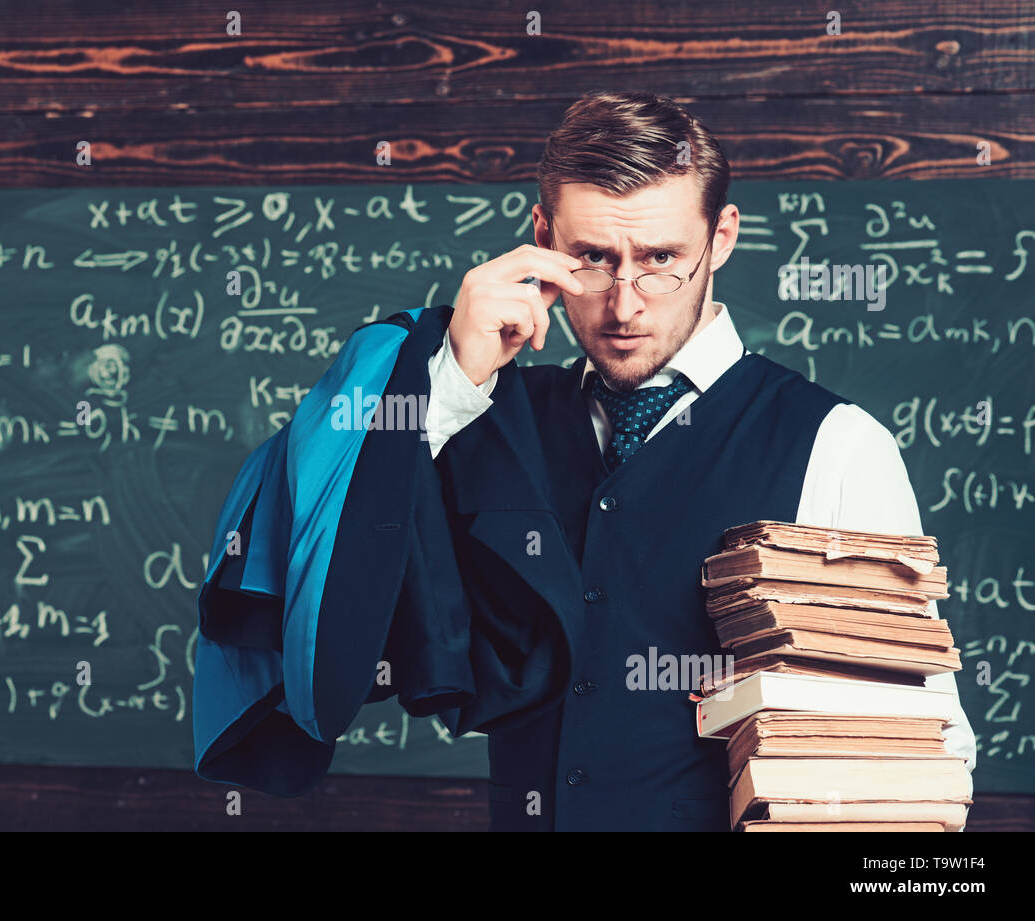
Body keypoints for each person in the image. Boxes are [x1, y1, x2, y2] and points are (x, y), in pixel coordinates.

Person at [194, 89, 976, 831]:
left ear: (723, 238)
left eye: (663, 257)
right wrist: (446, 380)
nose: (626, 302)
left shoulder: (838, 446)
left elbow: (926, 745)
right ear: (542, 241)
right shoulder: (478, 413)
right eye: (594, 259)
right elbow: (350, 567)